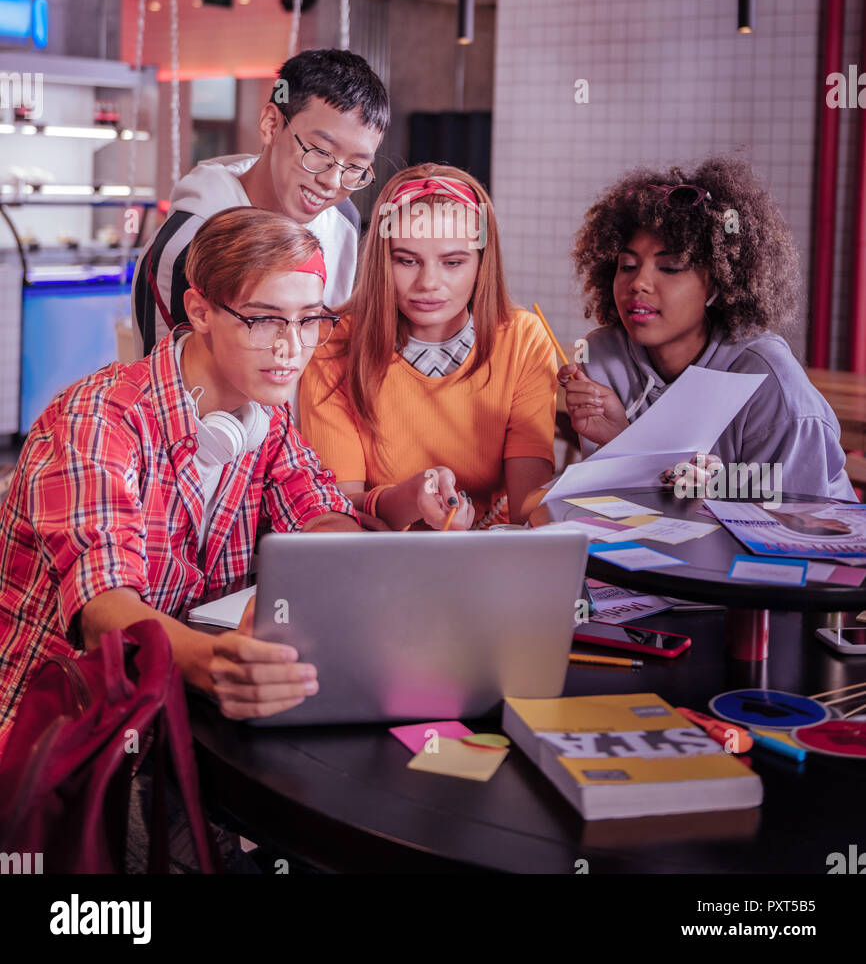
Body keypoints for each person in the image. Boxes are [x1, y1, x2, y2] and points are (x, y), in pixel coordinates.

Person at [0, 207, 361, 756]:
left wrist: (327, 574)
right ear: (200, 310)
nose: (292, 348)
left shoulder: (267, 415)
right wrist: (217, 664)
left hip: (170, 724)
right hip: (58, 745)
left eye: (309, 319)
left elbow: (319, 508)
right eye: (264, 320)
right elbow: (105, 613)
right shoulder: (96, 420)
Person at [558, 157, 857, 502]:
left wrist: (720, 490)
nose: (638, 282)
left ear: (717, 284)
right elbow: (612, 505)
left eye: (670, 268)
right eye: (627, 265)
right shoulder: (604, 358)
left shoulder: (769, 379)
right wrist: (623, 440)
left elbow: (803, 517)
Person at [299, 164, 557, 530]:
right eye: (406, 260)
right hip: (378, 555)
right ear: (381, 261)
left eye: (453, 262)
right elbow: (341, 514)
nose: (429, 283)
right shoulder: (332, 343)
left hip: (491, 546)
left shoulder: (524, 339)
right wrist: (411, 499)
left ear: (483, 263)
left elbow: (529, 514)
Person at [132, 48, 389, 355]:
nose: (332, 182)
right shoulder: (185, 245)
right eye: (320, 153)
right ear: (270, 125)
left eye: (356, 167)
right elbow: (162, 390)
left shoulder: (342, 218)